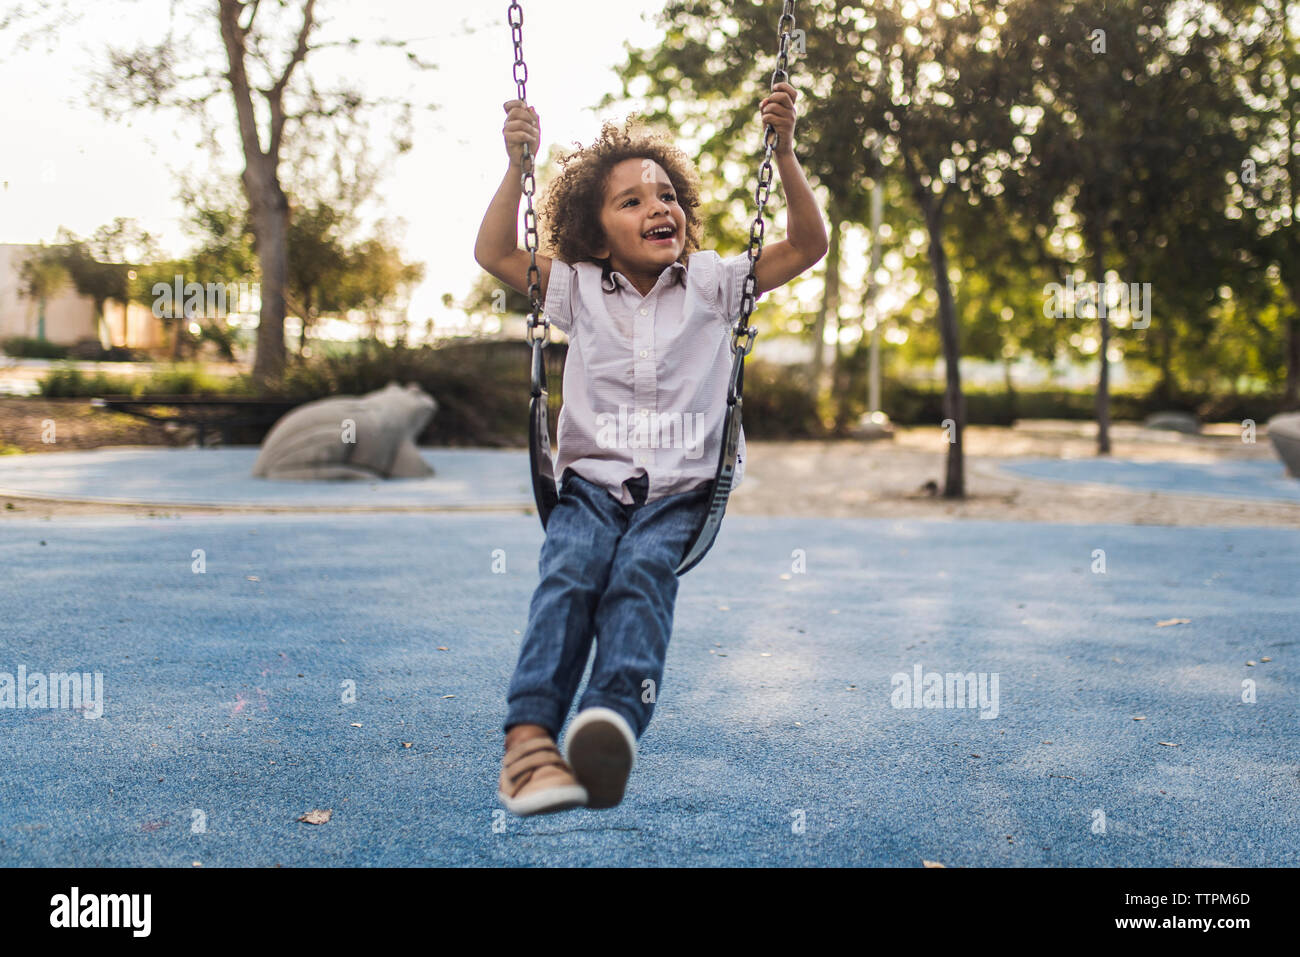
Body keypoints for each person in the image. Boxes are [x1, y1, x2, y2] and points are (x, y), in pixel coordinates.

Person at [474, 82, 827, 816]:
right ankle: (529, 742)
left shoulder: (712, 282)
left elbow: (807, 243)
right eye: (630, 200)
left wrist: (784, 154)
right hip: (592, 482)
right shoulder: (575, 288)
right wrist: (517, 165)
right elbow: (495, 250)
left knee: (640, 571)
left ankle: (609, 721)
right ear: (596, 233)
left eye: (666, 194)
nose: (657, 207)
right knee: (570, 570)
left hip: (683, 489)